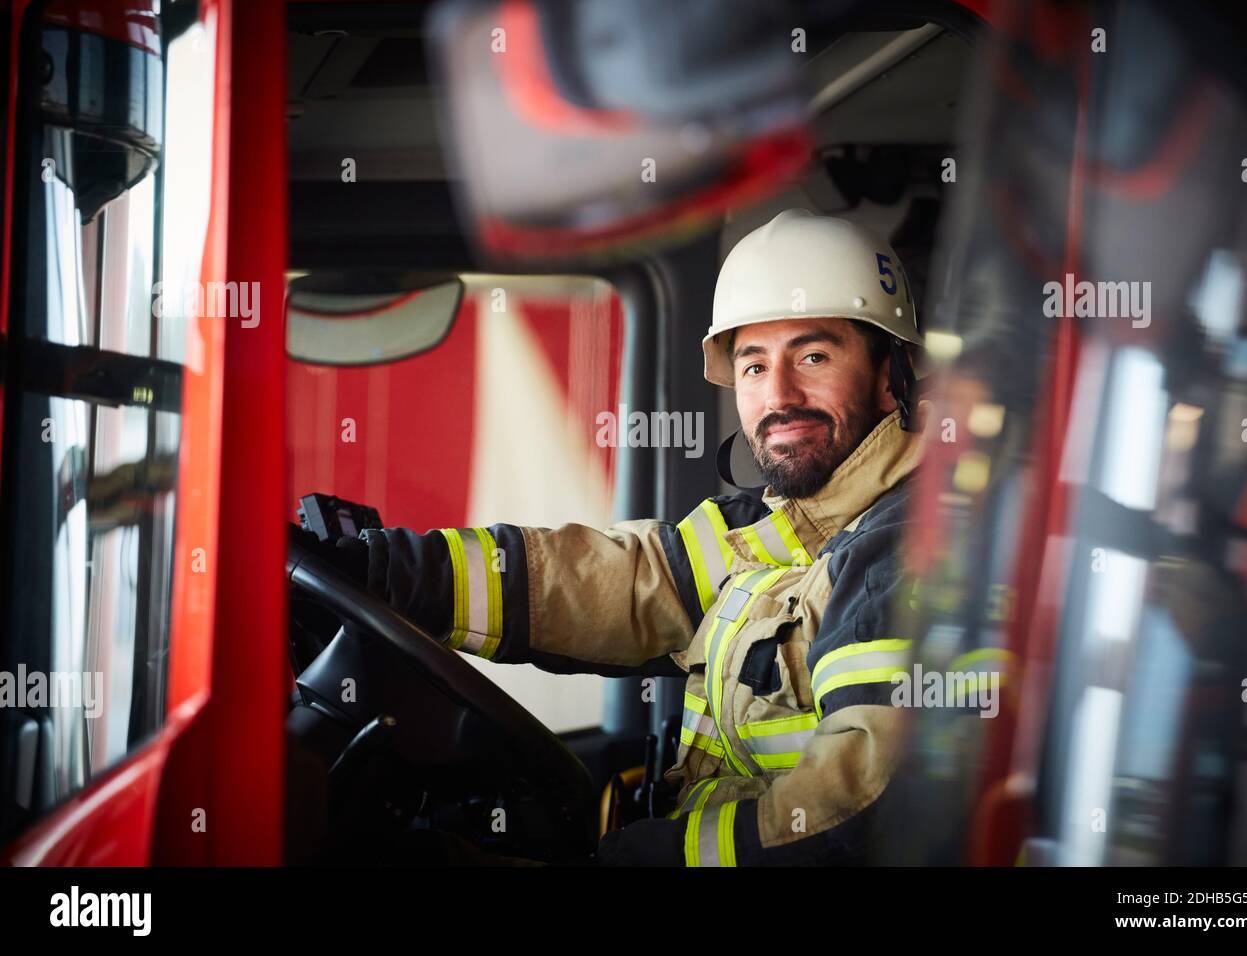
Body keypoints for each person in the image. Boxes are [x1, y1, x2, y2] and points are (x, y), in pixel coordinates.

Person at [327, 208, 928, 865]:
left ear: (888, 374)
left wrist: (642, 858)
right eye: (754, 366)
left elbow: (864, 812)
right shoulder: (774, 526)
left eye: (812, 355)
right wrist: (392, 571)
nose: (778, 394)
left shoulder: (906, 549)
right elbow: (625, 580)